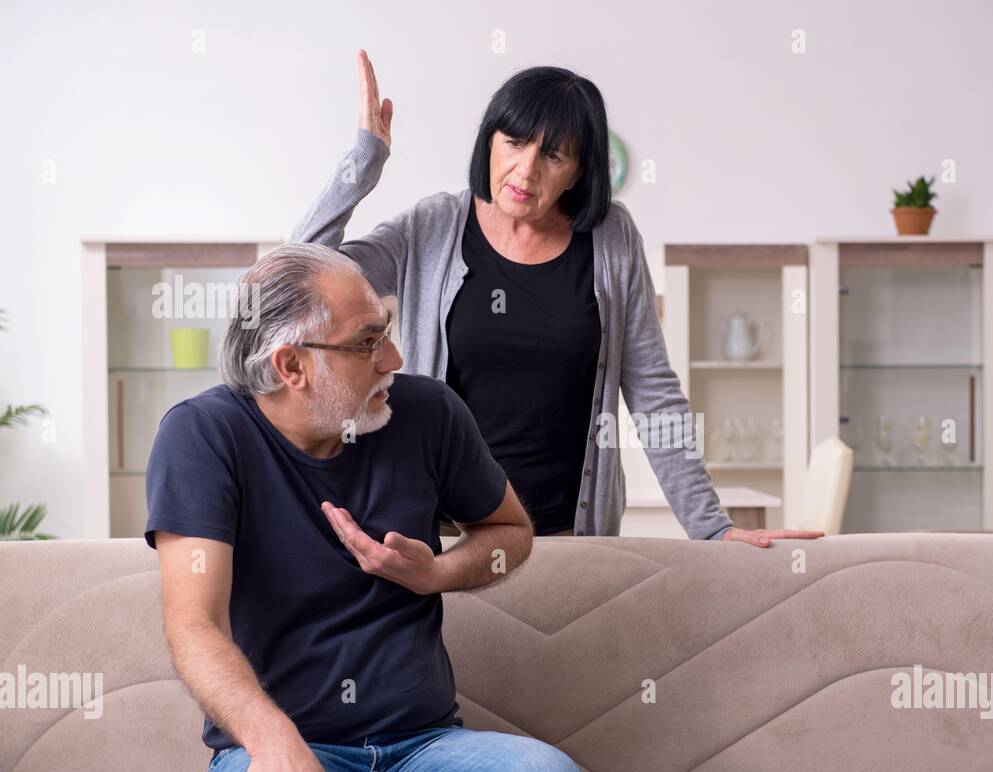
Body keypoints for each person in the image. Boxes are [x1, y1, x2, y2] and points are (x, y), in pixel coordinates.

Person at [144, 242, 593, 772]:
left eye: (387, 333)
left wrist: (436, 572)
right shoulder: (203, 435)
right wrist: (274, 745)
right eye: (366, 342)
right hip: (283, 747)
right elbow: (193, 624)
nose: (394, 358)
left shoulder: (429, 413)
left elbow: (509, 532)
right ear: (291, 365)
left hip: (426, 750)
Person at [292, 49, 824, 547]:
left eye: (552, 154)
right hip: (443, 534)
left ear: (578, 169)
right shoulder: (433, 226)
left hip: (570, 534)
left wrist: (712, 529)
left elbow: (653, 392)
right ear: (490, 140)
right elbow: (296, 278)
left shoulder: (611, 238)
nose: (526, 170)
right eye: (515, 142)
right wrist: (364, 160)